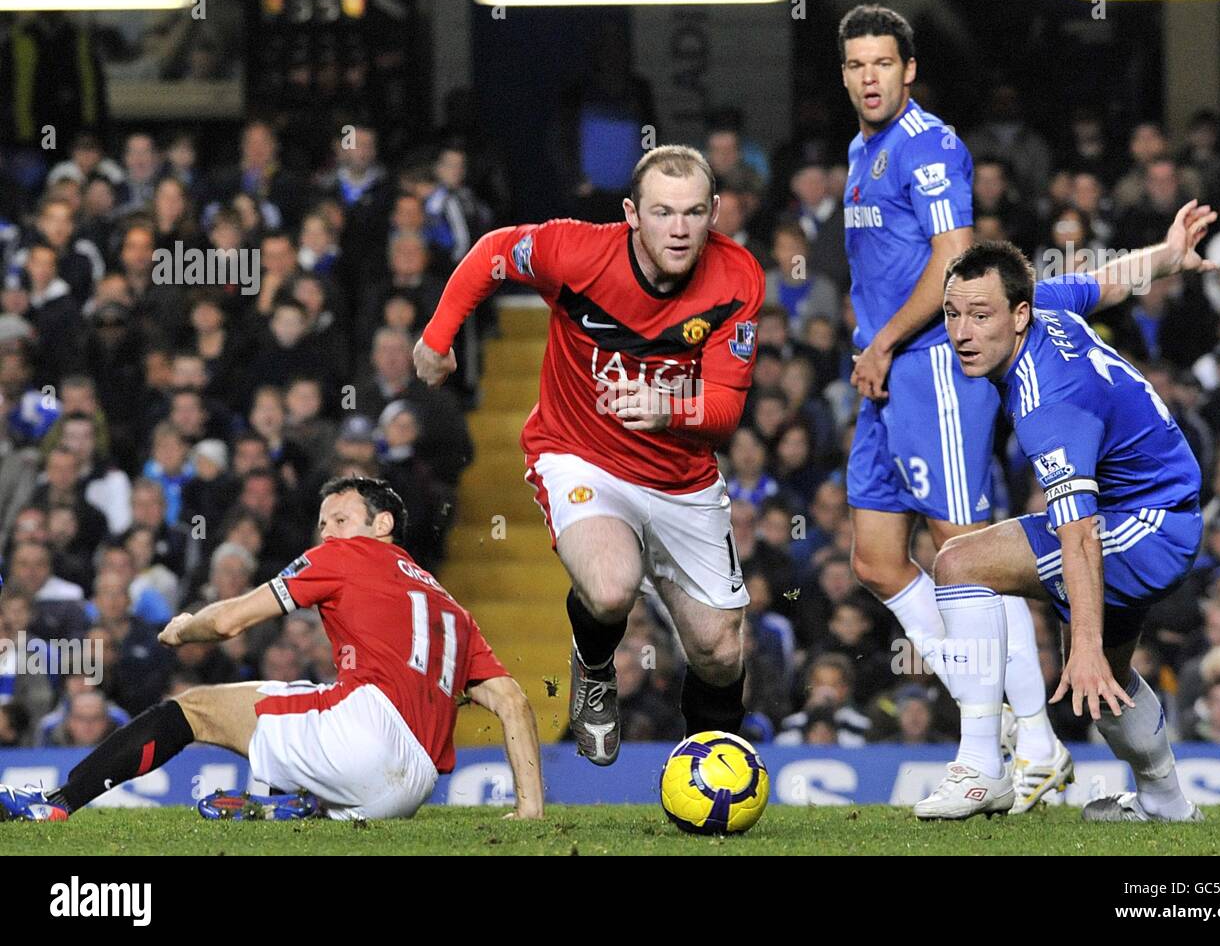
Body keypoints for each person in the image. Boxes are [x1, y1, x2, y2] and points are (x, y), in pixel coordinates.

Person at [414, 144, 764, 766]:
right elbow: (494, 253)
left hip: (682, 479)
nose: (678, 229)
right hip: (581, 455)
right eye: (662, 212)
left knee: (719, 649)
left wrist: (667, 408)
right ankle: (594, 664)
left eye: (692, 213)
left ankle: (715, 765)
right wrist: (438, 338)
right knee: (609, 589)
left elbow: (726, 409)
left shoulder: (738, 280)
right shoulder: (573, 252)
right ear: (632, 213)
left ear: (714, 214)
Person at [0, 476, 543, 822]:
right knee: (315, 698)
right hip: (410, 788)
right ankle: (299, 808)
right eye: (323, 521)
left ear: (383, 525)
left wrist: (184, 626)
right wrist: (529, 808)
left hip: (366, 732)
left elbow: (232, 620)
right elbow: (514, 702)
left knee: (194, 711)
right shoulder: (451, 606)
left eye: (340, 518)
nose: (327, 530)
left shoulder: (344, 556)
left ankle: (57, 805)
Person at [837, 4, 1066, 810]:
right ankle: (1012, 724)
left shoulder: (929, 145)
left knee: (965, 558)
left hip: (930, 365)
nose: (870, 77)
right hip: (885, 371)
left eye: (882, 64)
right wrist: (871, 346)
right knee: (874, 557)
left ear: (908, 72)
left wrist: (883, 342)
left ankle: (1007, 749)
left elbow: (953, 265)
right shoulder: (863, 150)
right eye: (856, 65)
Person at [923, 199, 1215, 821]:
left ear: (1017, 315)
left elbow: (1078, 535)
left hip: (1146, 523)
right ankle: (1166, 804)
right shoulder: (1045, 306)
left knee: (958, 563)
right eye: (952, 315)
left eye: (981, 315)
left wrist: (1079, 640)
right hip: (1146, 509)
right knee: (1103, 686)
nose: (963, 332)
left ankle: (980, 769)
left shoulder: (1047, 401)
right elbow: (1108, 283)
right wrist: (1166, 256)